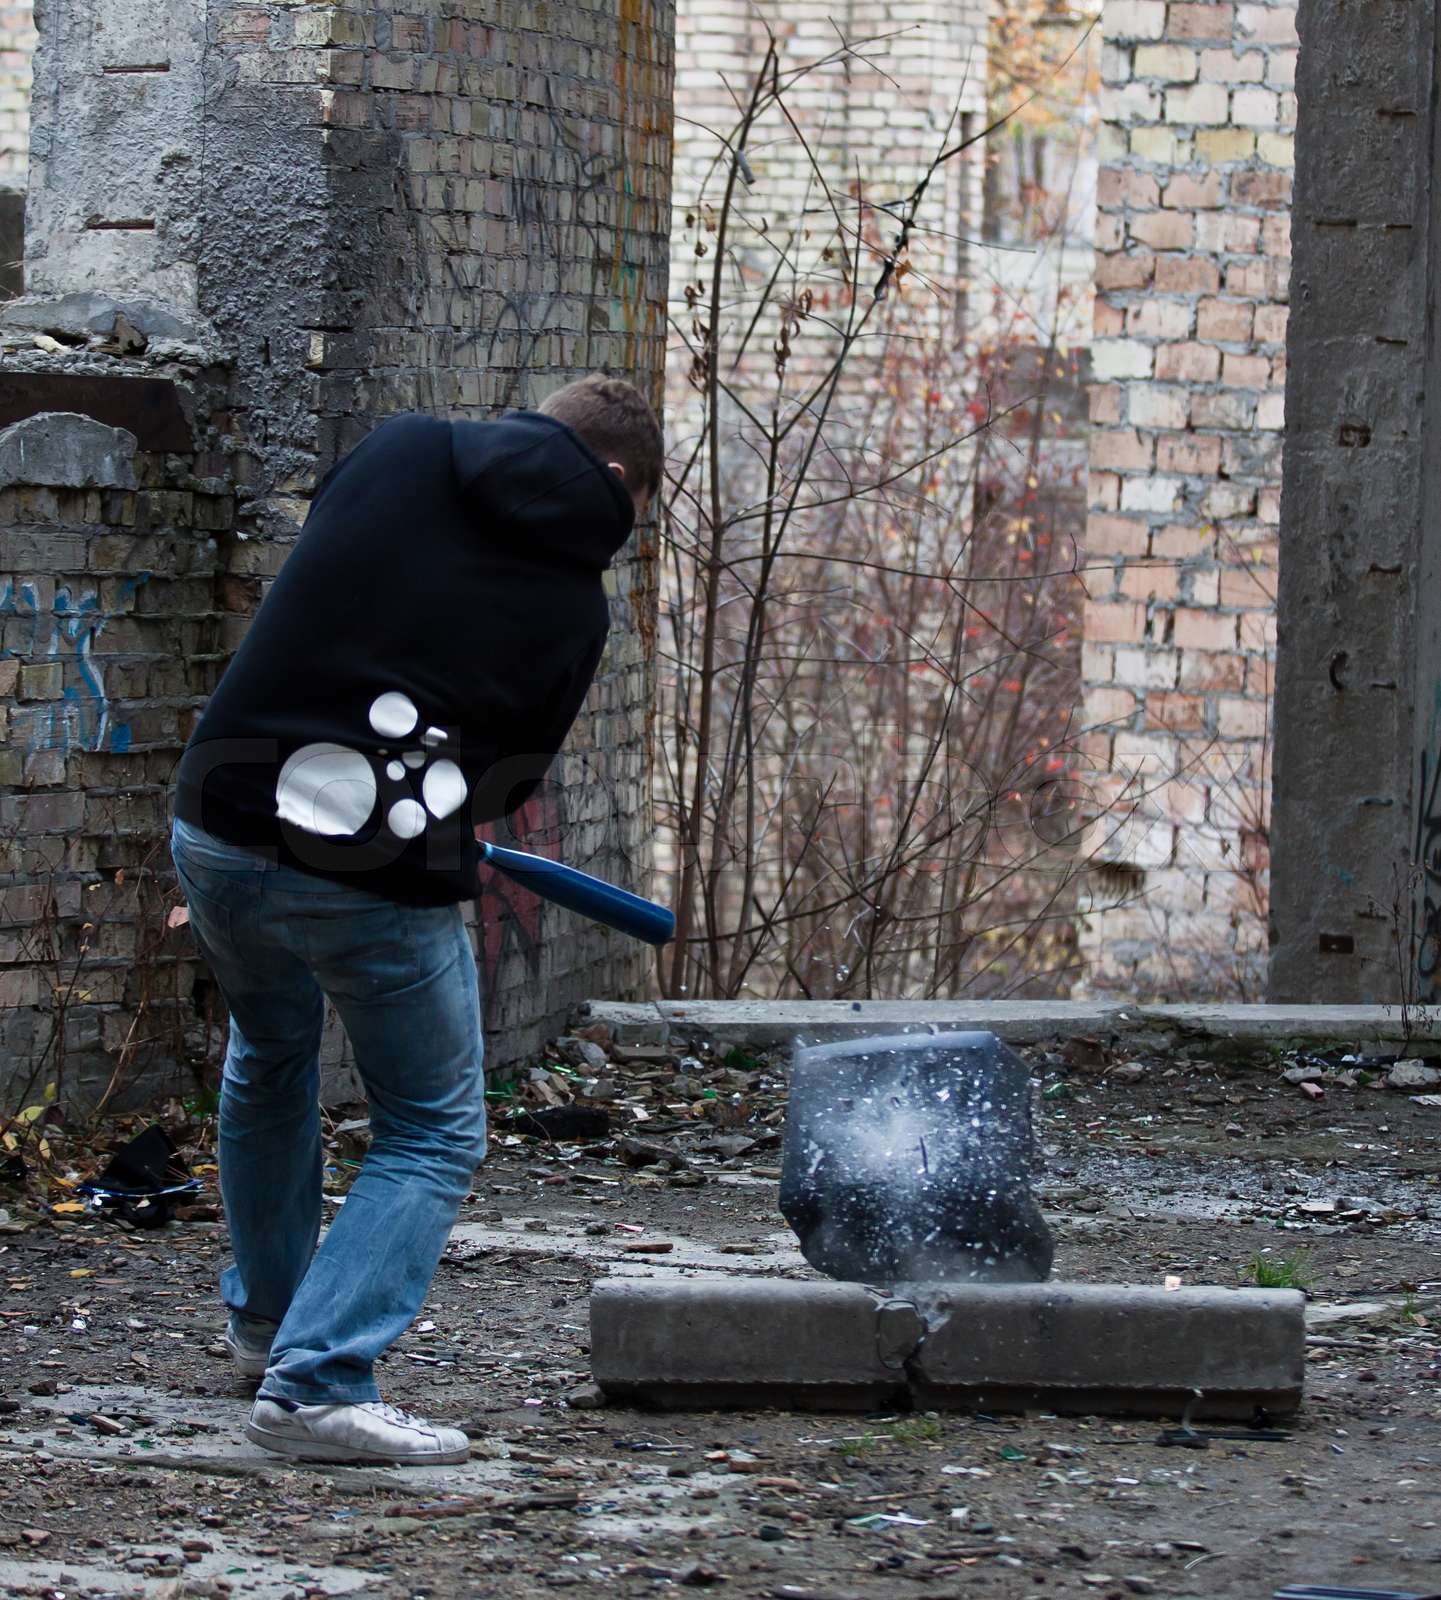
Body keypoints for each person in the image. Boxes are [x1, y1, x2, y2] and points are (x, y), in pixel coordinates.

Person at [170, 375, 663, 1465]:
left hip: (215, 818)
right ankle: (319, 1379)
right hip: (364, 872)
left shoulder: (398, 449)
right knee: (434, 1125)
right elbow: (500, 785)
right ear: (619, 481)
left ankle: (268, 1326)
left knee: (269, 1050)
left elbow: (323, 597)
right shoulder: (576, 607)